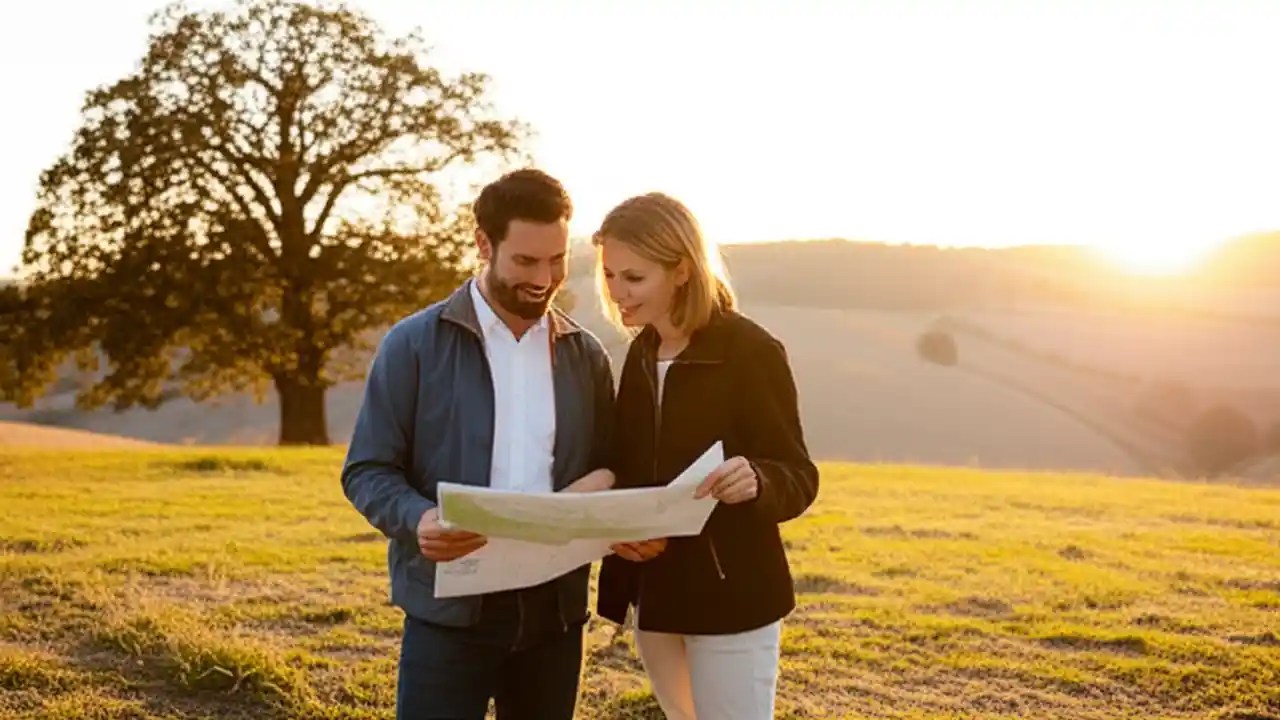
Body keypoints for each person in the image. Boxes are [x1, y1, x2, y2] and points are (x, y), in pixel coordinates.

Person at [340, 168, 617, 720]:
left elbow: (610, 466)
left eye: (557, 260)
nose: (544, 278)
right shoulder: (413, 344)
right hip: (447, 614)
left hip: (554, 617)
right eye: (525, 261)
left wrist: (606, 487)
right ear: (483, 245)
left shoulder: (587, 357)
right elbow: (367, 469)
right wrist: (418, 519)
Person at [592, 192, 819, 719]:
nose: (617, 294)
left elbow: (798, 475)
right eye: (609, 276)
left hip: (733, 597)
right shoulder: (641, 354)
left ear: (682, 271)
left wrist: (758, 478)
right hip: (655, 596)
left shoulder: (751, 351)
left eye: (634, 277)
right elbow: (632, 469)